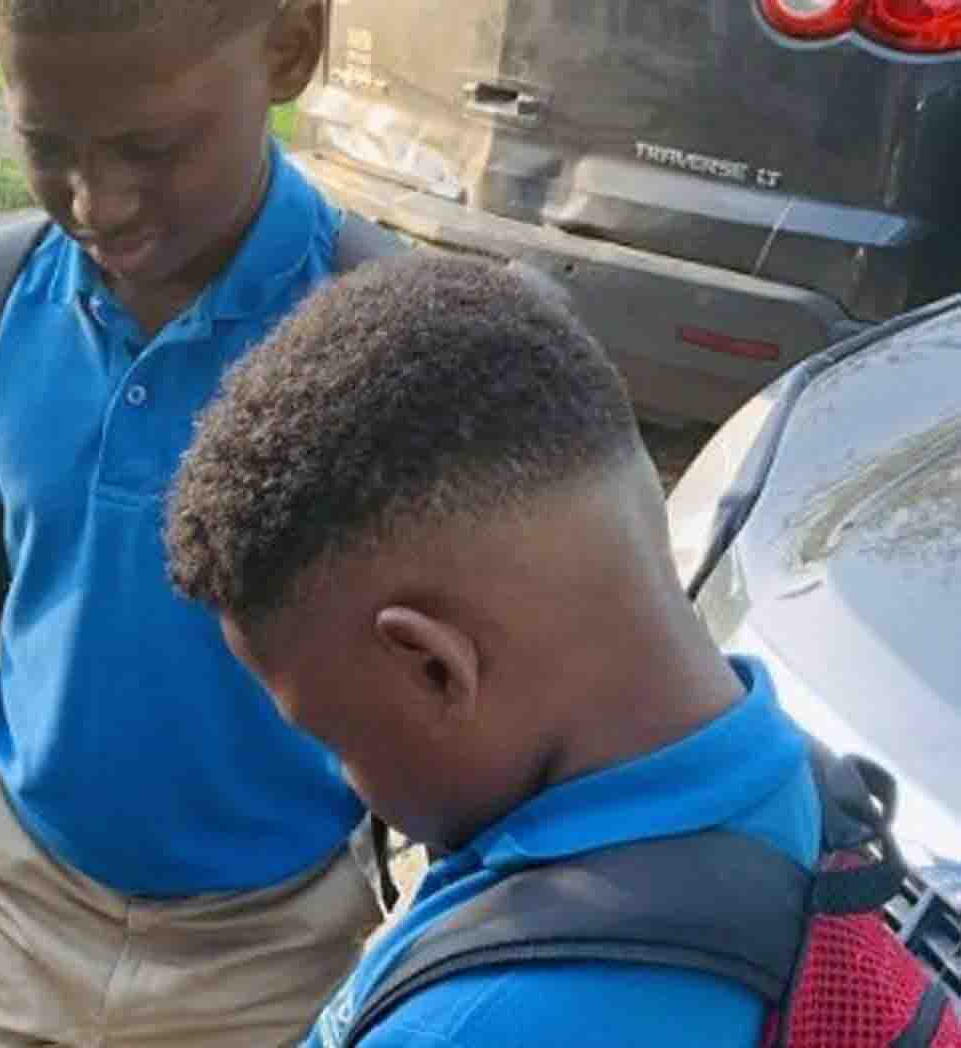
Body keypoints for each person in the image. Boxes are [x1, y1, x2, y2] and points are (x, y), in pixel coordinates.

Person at [0, 1, 387, 1044]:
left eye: (151, 145)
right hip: (23, 921)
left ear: (287, 45)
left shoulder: (383, 343)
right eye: (46, 146)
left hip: (275, 958)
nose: (95, 202)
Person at [165, 253, 823, 1046]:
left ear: (435, 667)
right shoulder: (802, 793)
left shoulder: (467, 1029)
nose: (350, 780)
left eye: (335, 738)